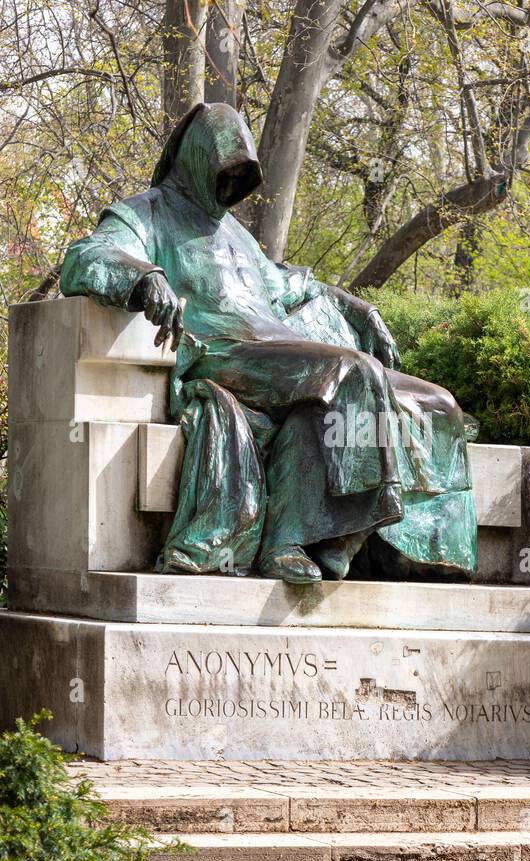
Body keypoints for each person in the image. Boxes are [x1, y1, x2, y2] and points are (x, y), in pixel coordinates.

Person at [60, 103, 476, 583]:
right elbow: (84, 256)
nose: (231, 186)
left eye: (241, 175)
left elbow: (291, 285)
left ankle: (419, 552)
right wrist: (144, 277)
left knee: (438, 403)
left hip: (283, 352)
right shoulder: (146, 213)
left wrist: (361, 309)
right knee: (356, 371)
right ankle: (315, 537)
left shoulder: (237, 234)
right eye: (224, 171)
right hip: (222, 354)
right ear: (195, 157)